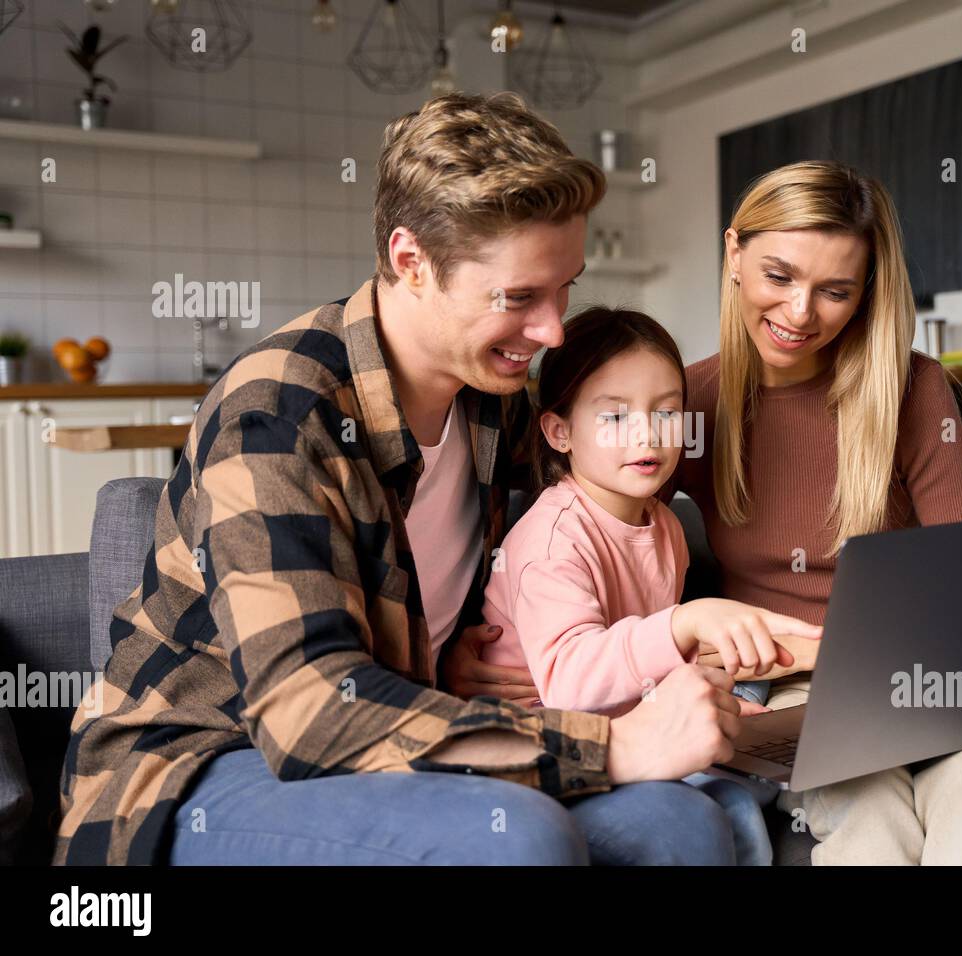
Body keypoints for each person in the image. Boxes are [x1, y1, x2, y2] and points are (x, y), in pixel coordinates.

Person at [55, 92, 752, 867]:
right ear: (411, 260)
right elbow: (311, 713)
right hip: (205, 766)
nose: (553, 330)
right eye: (519, 298)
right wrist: (611, 744)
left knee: (681, 824)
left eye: (565, 290)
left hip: (403, 737)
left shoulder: (493, 401)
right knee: (520, 840)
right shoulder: (277, 418)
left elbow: (621, 456)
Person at [663, 160, 962, 865]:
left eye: (834, 291)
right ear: (733, 254)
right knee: (866, 814)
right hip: (795, 685)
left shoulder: (913, 390)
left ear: (867, 293)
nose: (800, 314)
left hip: (924, 667)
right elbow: (591, 519)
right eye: (779, 276)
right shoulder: (689, 401)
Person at [479, 306, 824, 864]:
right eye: (615, 416)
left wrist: (716, 692)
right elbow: (569, 683)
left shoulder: (664, 526)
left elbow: (655, 663)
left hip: (629, 718)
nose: (648, 433)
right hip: (553, 740)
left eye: (667, 414)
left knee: (757, 747)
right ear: (559, 431)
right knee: (728, 799)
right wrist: (684, 623)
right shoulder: (552, 540)